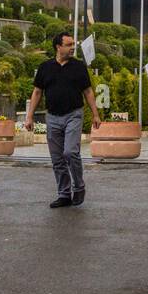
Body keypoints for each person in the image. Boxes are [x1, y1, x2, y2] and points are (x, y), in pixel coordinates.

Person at [25, 31, 102, 208]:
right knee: (57, 159)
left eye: (73, 44)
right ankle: (64, 194)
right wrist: (29, 116)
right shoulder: (45, 67)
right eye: (69, 45)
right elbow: (37, 92)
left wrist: (95, 114)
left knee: (70, 152)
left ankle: (79, 186)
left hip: (73, 114)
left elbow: (88, 91)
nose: (72, 47)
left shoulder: (79, 67)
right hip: (52, 117)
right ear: (58, 47)